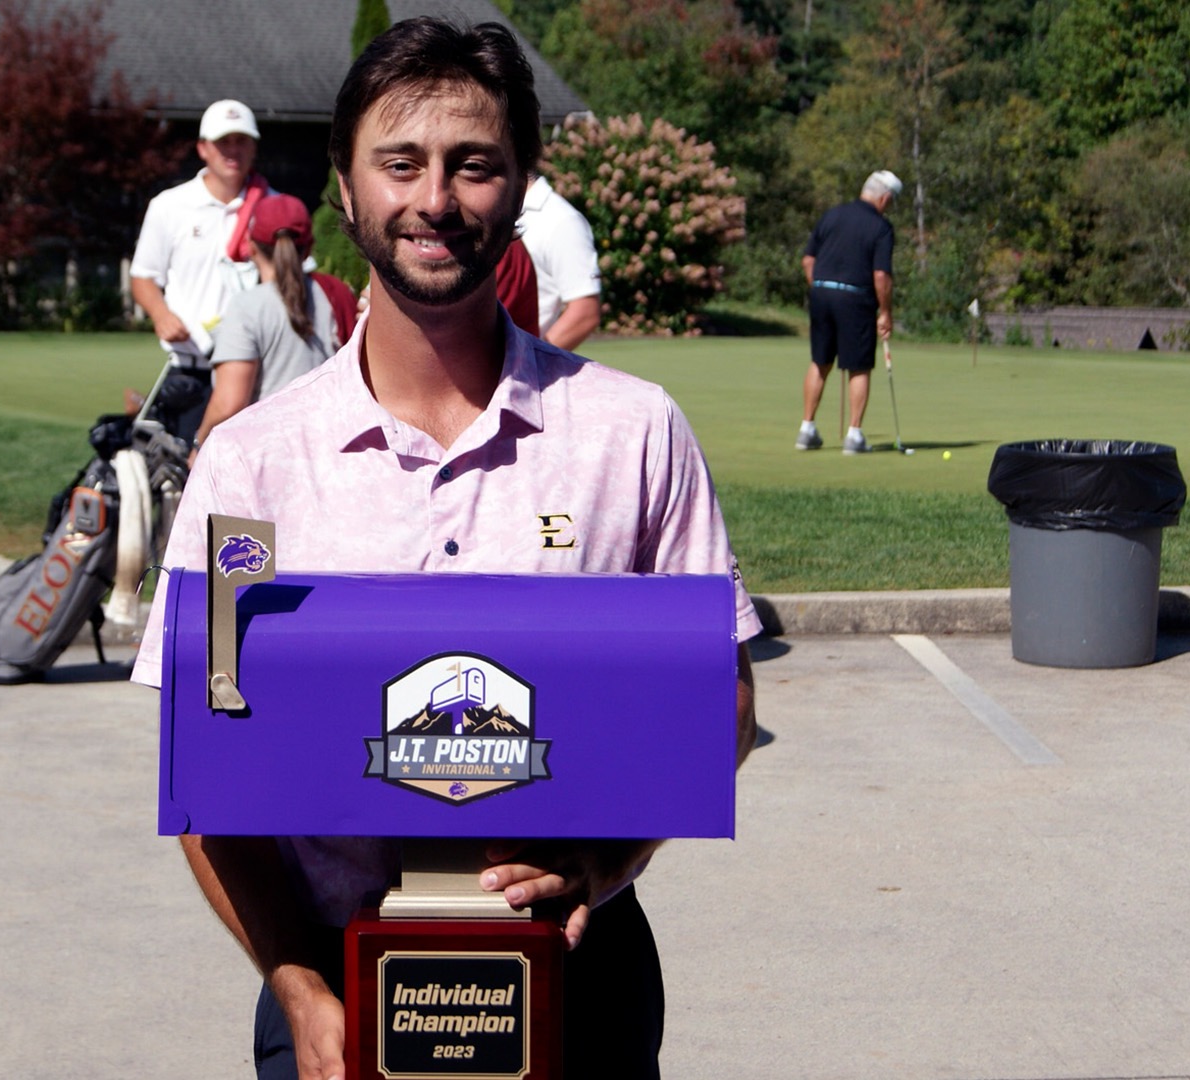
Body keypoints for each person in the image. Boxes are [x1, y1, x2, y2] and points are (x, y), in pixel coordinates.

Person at [131, 18, 759, 1080]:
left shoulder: (632, 432)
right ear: (345, 185)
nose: (435, 199)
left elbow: (723, 704)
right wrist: (294, 977)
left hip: (581, 975)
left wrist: (601, 863)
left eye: (474, 166)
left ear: (521, 185)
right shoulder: (251, 471)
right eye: (400, 163)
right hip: (327, 969)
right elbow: (210, 760)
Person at [128, 99, 273, 438]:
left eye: (242, 141)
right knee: (184, 479)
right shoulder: (169, 206)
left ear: (254, 147)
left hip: (254, 373)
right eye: (224, 142)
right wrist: (160, 314)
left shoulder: (272, 206)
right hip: (189, 369)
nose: (233, 150)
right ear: (203, 148)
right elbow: (143, 276)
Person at [193, 194, 340, 453]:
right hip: (329, 446)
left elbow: (229, 403)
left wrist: (199, 444)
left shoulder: (246, 306)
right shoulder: (334, 294)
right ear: (309, 247)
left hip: (266, 454)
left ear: (250, 245)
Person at [797, 169, 900, 454]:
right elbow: (881, 275)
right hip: (855, 299)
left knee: (820, 360)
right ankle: (854, 435)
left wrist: (820, 287)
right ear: (885, 198)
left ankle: (807, 430)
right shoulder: (881, 227)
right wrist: (886, 312)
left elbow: (808, 260)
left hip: (821, 293)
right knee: (858, 366)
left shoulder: (832, 215)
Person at [516, 173, 602, 349]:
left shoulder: (561, 220)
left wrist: (531, 365)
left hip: (519, 368)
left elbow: (584, 312)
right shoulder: (498, 212)